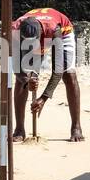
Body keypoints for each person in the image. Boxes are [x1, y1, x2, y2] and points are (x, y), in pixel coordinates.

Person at [13, 8, 83, 142]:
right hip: (36, 36)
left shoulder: (54, 29)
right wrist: (27, 81)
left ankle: (76, 126)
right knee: (21, 80)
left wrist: (43, 98)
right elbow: (16, 67)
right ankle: (19, 129)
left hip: (63, 32)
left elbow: (58, 70)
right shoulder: (15, 29)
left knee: (68, 74)